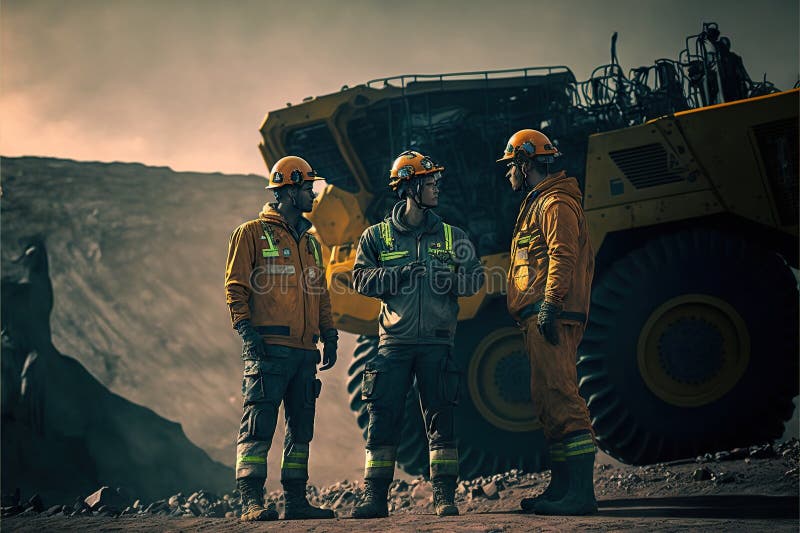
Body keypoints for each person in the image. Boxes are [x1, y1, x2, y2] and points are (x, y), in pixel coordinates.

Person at [350, 150, 484, 518]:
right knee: (383, 420)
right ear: (409, 187)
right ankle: (375, 499)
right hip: (393, 345)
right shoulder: (376, 237)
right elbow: (360, 278)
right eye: (429, 182)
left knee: (442, 423)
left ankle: (444, 498)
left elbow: (476, 277)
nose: (436, 187)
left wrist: (449, 279)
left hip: (438, 343)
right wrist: (399, 274)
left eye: (435, 181)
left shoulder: (451, 235)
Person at [224, 155, 338, 521]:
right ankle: (251, 501)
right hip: (269, 349)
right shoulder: (251, 234)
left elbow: (319, 292)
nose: (313, 195)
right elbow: (235, 287)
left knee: (301, 430)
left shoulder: (312, 244)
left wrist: (330, 333)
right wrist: (245, 329)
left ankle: (296, 502)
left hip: (305, 352)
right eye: (308, 188)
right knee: (258, 425)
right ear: (288, 191)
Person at [497, 130, 598, 515]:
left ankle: (581, 495)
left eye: (511, 166)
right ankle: (561, 489)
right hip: (539, 313)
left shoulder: (554, 203)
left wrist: (551, 305)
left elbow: (562, 255)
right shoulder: (538, 202)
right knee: (548, 402)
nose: (508, 174)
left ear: (525, 163)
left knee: (562, 396)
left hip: (552, 313)